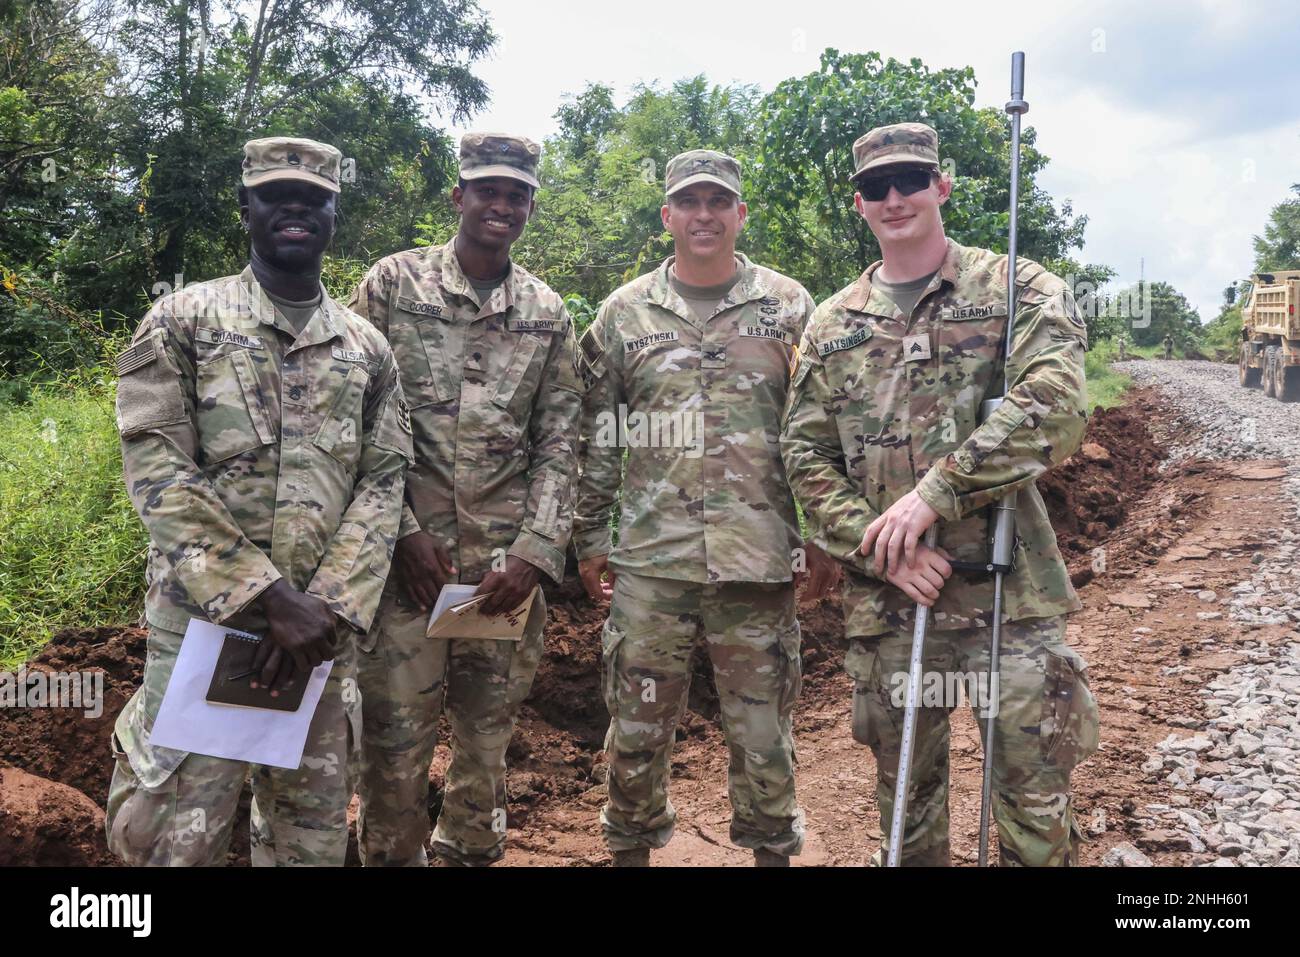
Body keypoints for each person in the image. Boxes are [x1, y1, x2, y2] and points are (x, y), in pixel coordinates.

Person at [780, 123, 1099, 866]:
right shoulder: (832, 325)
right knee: (906, 814)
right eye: (875, 187)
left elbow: (1057, 402)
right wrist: (877, 545)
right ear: (858, 203)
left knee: (1033, 806)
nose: (894, 198)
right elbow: (805, 454)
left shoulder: (1018, 289)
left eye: (910, 180)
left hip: (1008, 600)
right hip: (895, 607)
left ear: (941, 186)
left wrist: (936, 494)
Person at [106, 136, 413, 866]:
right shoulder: (183, 320)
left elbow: (384, 480)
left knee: (309, 841)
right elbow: (156, 467)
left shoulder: (367, 348)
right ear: (246, 205)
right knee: (174, 839)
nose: (296, 209)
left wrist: (327, 606)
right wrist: (268, 596)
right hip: (204, 634)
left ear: (335, 213)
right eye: (278, 194)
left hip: (319, 644)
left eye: (315, 198)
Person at [574, 149, 839, 867]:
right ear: (667, 215)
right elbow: (598, 437)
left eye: (718, 201)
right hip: (652, 566)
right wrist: (590, 536)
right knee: (636, 729)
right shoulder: (623, 313)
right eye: (688, 202)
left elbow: (817, 429)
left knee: (763, 737)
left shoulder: (790, 307)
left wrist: (825, 535)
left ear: (740, 214)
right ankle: (630, 850)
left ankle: (773, 854)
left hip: (759, 560)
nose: (703, 215)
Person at [348, 133, 583, 866]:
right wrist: (401, 532)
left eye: (517, 194)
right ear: (458, 196)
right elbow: (351, 421)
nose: (501, 205)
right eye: (487, 189)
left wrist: (534, 556)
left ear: (530, 207)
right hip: (405, 575)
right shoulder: (392, 286)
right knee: (393, 753)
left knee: (485, 751)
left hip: (497, 578)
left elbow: (561, 443)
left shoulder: (546, 311)